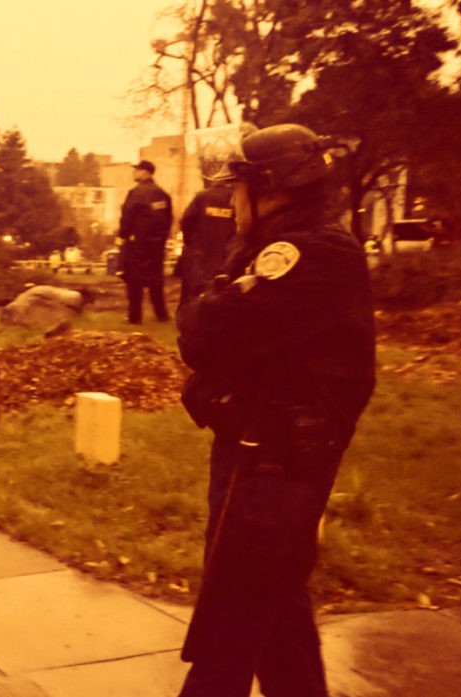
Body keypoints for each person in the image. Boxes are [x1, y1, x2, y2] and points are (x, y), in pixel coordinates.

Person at [175, 123, 376, 697]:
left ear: (271, 187)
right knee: (278, 618)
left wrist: (218, 308)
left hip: (276, 466)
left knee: (229, 628)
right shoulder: (272, 247)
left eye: (238, 187)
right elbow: (210, 332)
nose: (230, 200)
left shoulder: (307, 251)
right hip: (258, 459)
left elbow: (205, 328)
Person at [117, 159, 172, 323]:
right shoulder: (162, 194)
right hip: (156, 245)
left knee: (134, 282)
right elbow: (168, 218)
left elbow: (127, 217)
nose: (134, 172)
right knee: (156, 281)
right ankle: (161, 314)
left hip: (137, 244)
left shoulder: (136, 193)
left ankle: (135, 317)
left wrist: (122, 236)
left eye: (137, 170)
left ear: (145, 172)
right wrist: (161, 239)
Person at [176, 177, 237, 307]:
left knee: (194, 288)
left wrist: (189, 241)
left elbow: (187, 220)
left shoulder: (202, 197)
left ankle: (191, 314)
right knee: (219, 287)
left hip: (200, 251)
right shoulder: (235, 198)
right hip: (225, 253)